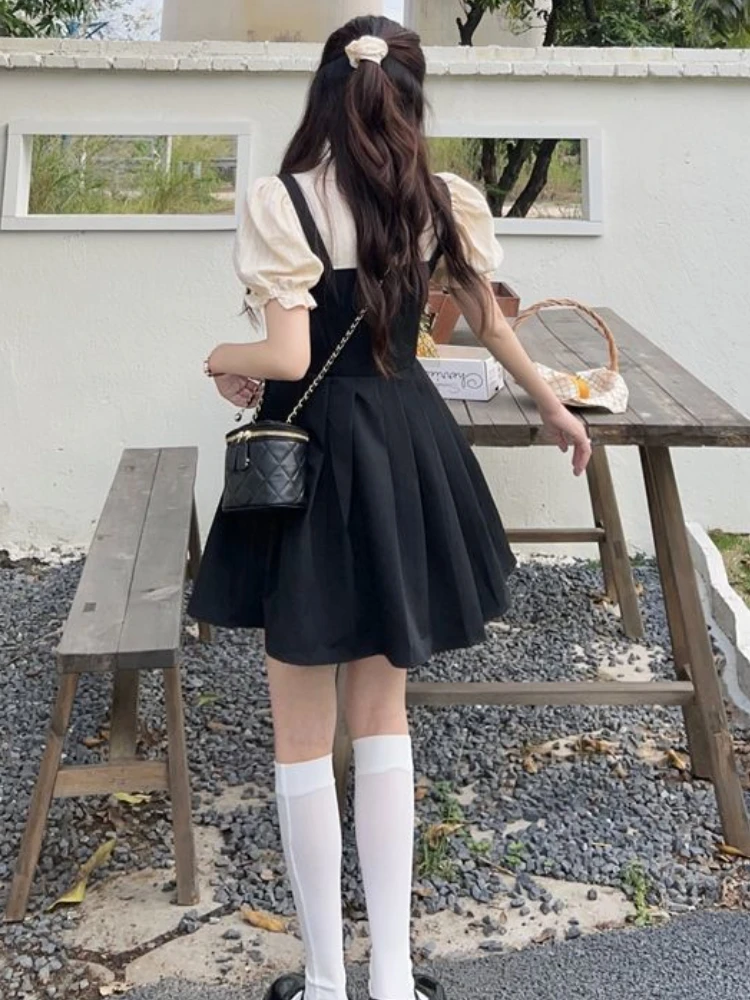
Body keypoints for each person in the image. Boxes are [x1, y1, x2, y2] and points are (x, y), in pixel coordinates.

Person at [188, 15, 591, 1000]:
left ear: (326, 94)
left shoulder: (285, 200)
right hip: (405, 449)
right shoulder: (440, 200)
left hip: (314, 466)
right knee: (382, 715)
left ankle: (327, 981)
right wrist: (554, 409)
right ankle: (396, 980)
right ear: (410, 98)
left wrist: (219, 358)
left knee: (299, 727)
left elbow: (287, 357)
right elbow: (491, 322)